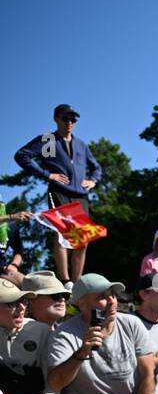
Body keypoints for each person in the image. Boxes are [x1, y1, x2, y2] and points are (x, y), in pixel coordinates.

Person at [44, 273, 158, 394]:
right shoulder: (64, 334)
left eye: (112, 294)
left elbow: (148, 375)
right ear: (82, 304)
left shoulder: (131, 323)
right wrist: (82, 352)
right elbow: (55, 383)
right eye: (102, 297)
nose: (112, 301)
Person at [13, 104, 101, 282]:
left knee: (83, 239)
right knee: (62, 233)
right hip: (60, 192)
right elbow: (22, 156)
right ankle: (65, 280)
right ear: (56, 118)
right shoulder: (49, 141)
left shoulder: (81, 145)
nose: (69, 122)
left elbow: (96, 167)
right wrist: (47, 174)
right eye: (65, 118)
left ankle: (77, 282)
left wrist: (93, 180)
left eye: (73, 119)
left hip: (80, 195)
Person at [0, 279, 59, 394]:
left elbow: (54, 383)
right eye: (12, 303)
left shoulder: (41, 331)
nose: (20, 308)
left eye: (23, 301)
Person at [1, 203, 32, 284]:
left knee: (29, 284)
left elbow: (19, 251)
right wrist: (11, 217)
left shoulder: (11, 226)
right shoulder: (10, 219)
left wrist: (14, 265)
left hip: (2, 270)